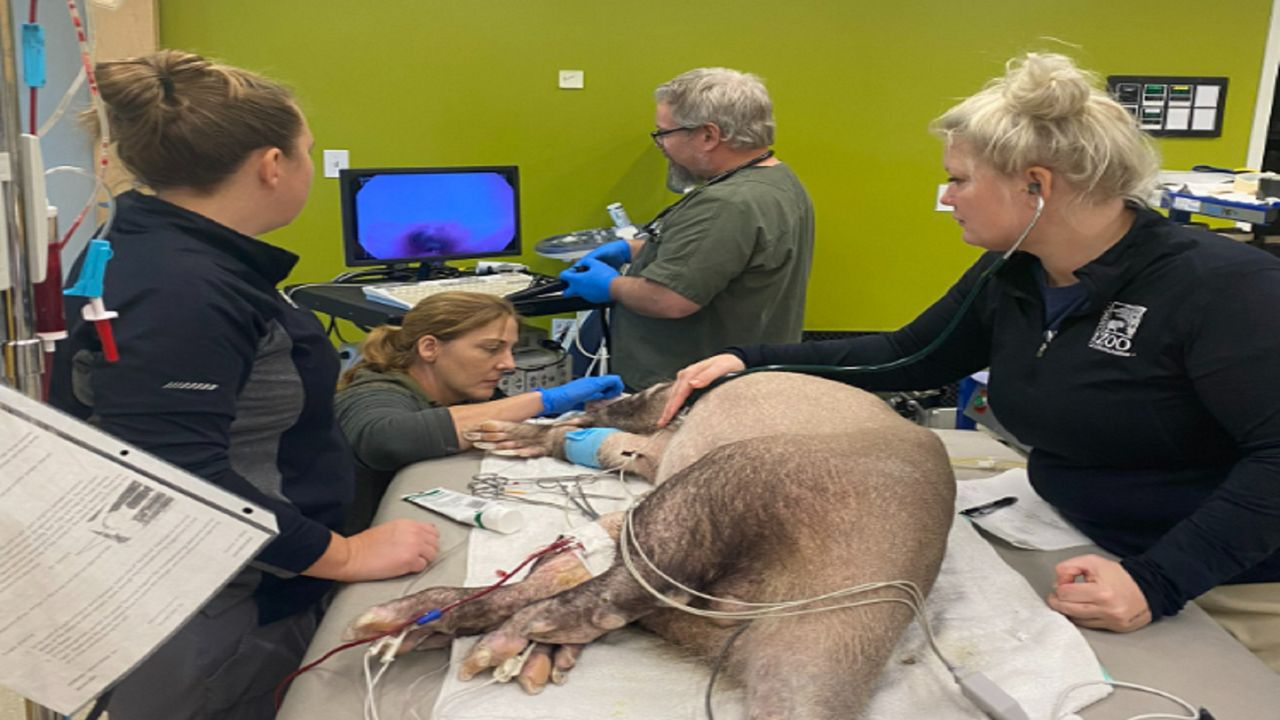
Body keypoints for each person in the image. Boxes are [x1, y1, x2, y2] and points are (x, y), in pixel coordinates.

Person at [659, 52, 1280, 672]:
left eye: (959, 179)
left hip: (1222, 578)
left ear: (1035, 185)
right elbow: (910, 355)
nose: (947, 195)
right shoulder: (1015, 271)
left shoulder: (1224, 288)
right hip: (1084, 535)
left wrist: (1157, 581)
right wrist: (750, 360)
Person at [49, 50, 440, 719]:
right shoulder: (183, 287)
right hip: (218, 605)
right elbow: (172, 474)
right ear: (271, 164)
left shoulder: (164, 251)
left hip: (227, 582)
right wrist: (341, 555)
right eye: (307, 151)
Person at [559, 67, 815, 390]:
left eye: (664, 133)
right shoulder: (779, 182)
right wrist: (633, 249)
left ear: (708, 136)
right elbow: (726, 255)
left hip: (691, 390)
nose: (661, 145)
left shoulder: (727, 203)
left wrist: (610, 286)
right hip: (744, 379)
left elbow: (670, 298)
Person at [334, 291, 624, 530]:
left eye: (510, 349)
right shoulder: (372, 391)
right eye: (491, 349)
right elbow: (387, 440)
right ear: (429, 348)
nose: (508, 364)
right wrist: (543, 400)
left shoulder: (467, 394)